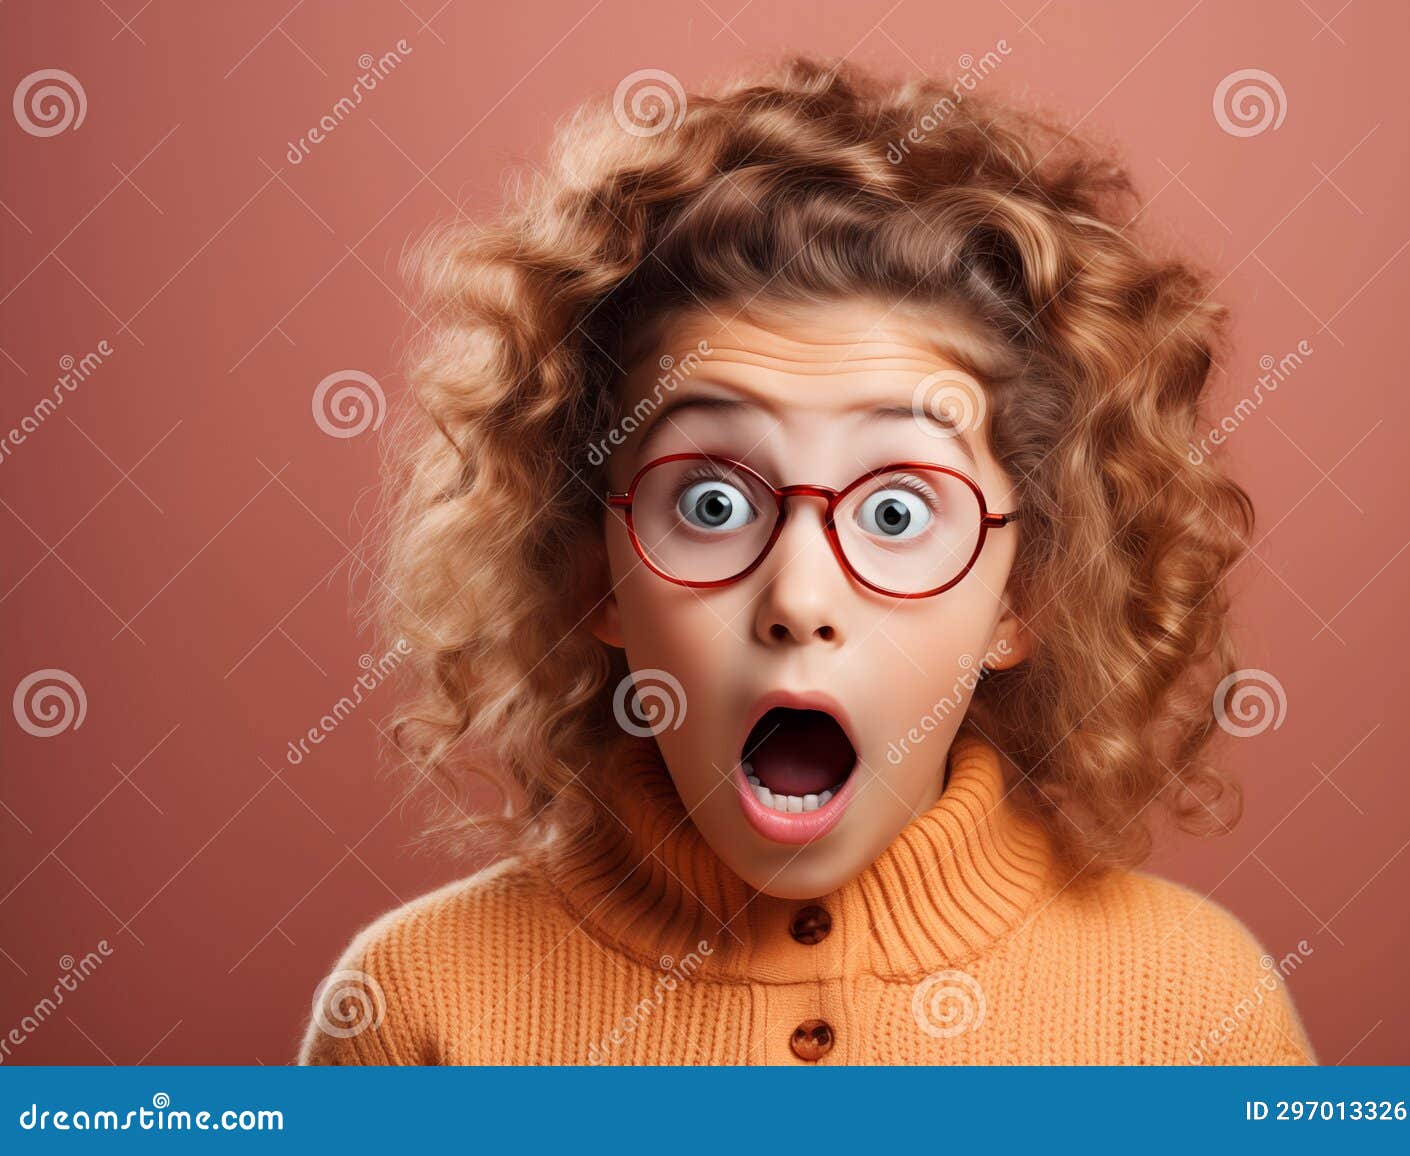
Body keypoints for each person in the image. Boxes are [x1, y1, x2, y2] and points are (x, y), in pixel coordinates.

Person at [298, 54, 1316, 1065]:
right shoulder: (414, 1009)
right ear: (595, 574)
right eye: (713, 504)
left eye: (895, 512)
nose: (798, 596)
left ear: (1024, 594)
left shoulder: (1196, 1011)